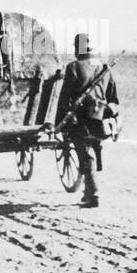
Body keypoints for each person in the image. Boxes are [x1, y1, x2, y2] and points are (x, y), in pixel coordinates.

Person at [53, 33, 119, 209]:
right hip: (100, 120)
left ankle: (94, 195)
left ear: (78, 49)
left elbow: (64, 97)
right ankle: (88, 193)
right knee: (91, 153)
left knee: (85, 156)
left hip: (81, 121)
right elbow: (113, 98)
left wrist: (59, 123)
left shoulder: (73, 67)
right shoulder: (105, 67)